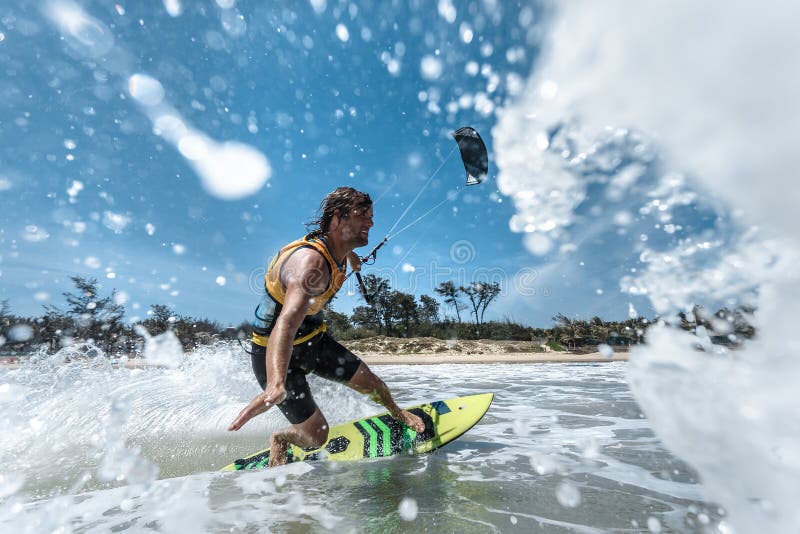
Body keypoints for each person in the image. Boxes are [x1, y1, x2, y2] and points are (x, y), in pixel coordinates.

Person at [228, 187, 424, 466]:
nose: (370, 222)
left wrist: (352, 259)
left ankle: (397, 412)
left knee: (375, 385)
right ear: (336, 218)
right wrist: (276, 383)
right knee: (317, 437)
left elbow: (344, 254)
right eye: (362, 214)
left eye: (371, 215)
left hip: (314, 342)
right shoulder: (312, 265)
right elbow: (286, 323)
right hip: (277, 355)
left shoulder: (338, 248)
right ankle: (281, 438)